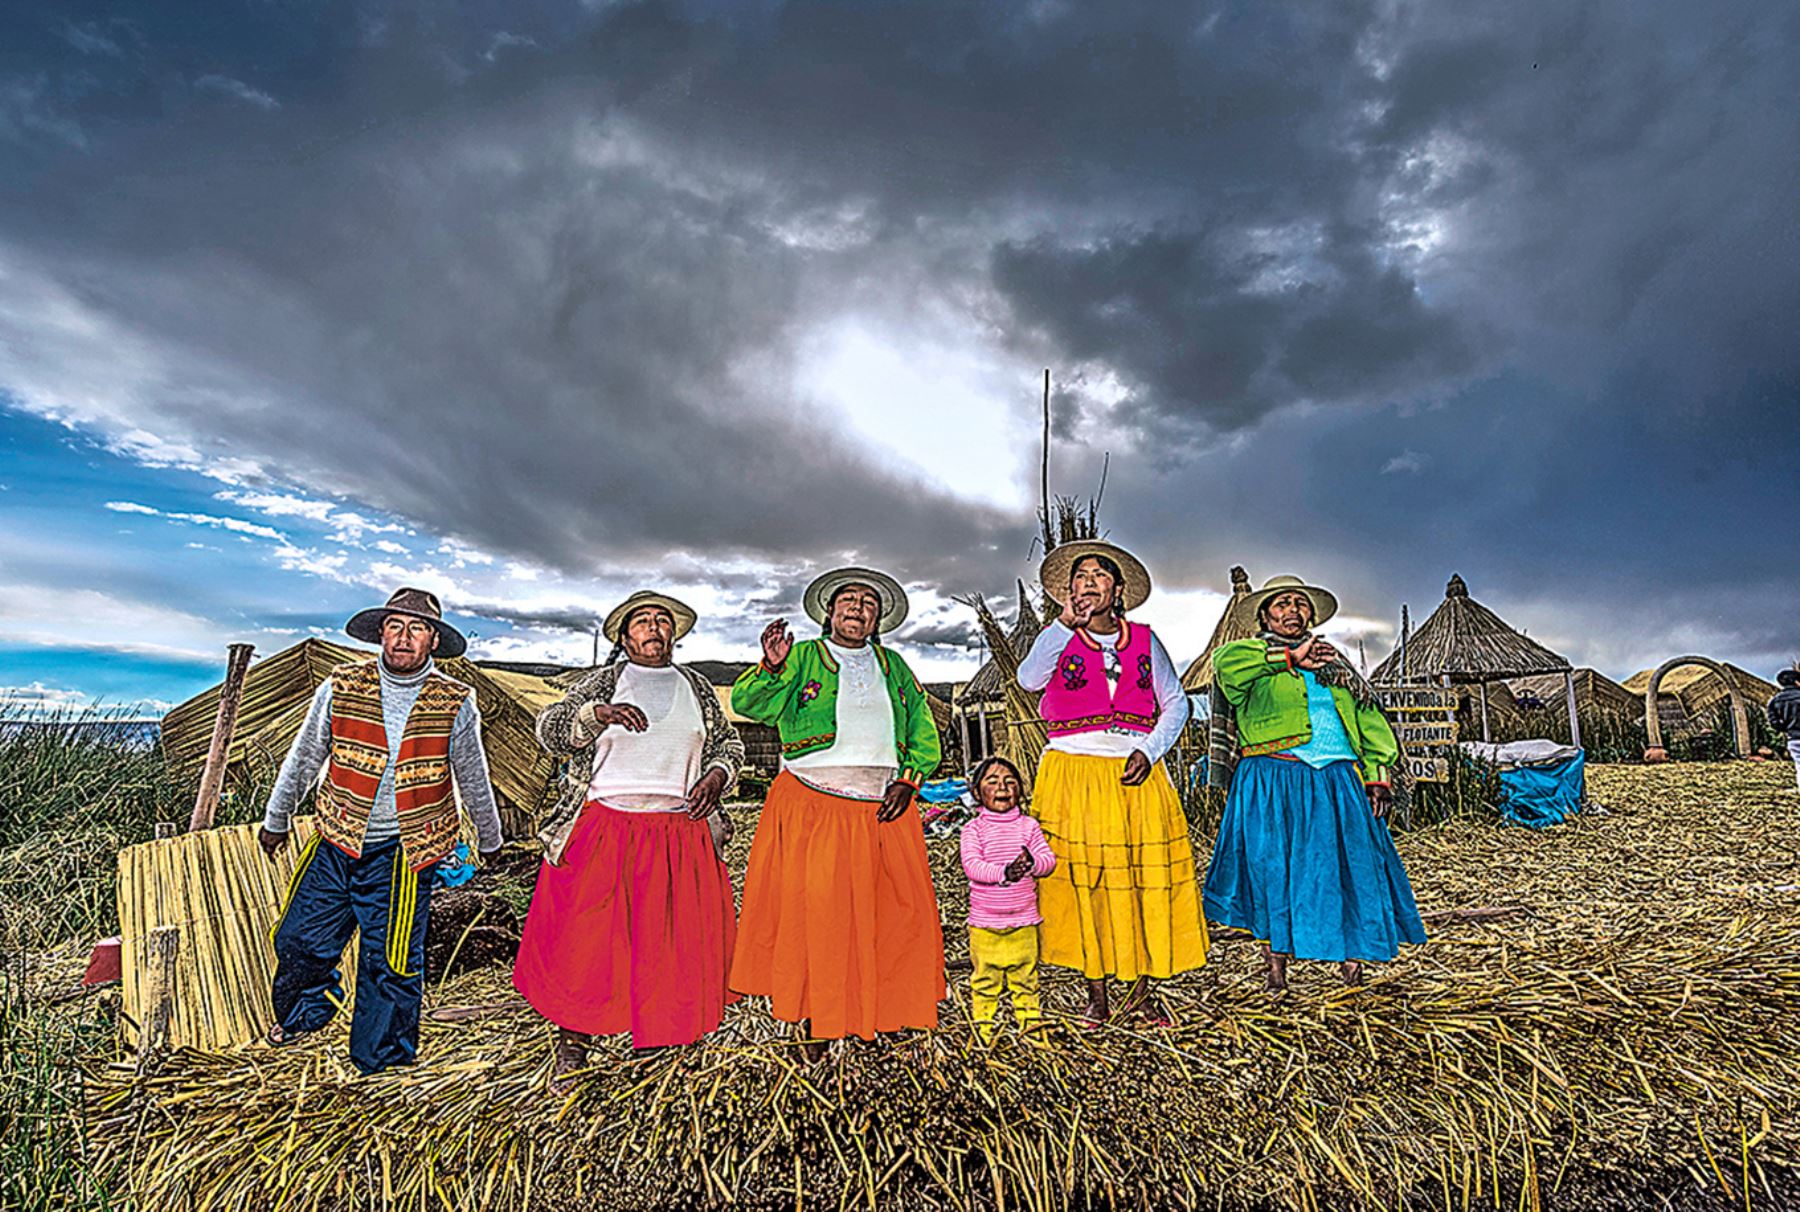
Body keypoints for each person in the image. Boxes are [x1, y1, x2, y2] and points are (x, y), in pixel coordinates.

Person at [258, 587, 504, 1075]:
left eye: (416, 629)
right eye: (396, 626)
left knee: (390, 961)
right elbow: (306, 756)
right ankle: (307, 1016)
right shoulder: (341, 686)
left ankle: (381, 1064)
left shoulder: (455, 701)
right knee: (298, 939)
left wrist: (491, 839)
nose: (404, 638)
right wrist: (276, 817)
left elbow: (473, 773)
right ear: (381, 633)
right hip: (336, 838)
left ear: (433, 640)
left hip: (404, 850)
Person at [515, 591, 745, 1086]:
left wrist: (717, 777)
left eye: (663, 621)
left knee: (668, 941)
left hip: (677, 828)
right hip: (607, 823)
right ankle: (573, 1045)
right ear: (624, 636)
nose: (655, 629)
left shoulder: (697, 687)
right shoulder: (602, 682)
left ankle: (658, 1047)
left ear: (675, 635)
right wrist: (597, 715)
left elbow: (730, 743)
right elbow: (549, 730)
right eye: (643, 621)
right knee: (589, 940)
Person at [729, 567, 945, 1061]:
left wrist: (910, 780)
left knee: (892, 914)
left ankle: (889, 1013)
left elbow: (922, 730)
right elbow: (749, 704)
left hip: (884, 807)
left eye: (869, 603)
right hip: (814, 802)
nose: (857, 609)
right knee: (816, 915)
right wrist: (770, 667)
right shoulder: (802, 657)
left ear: (878, 619)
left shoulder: (894, 668)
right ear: (830, 611)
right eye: (848, 599)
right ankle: (817, 1021)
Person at [1202, 575, 1426, 991]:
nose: (1292, 611)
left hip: (1337, 781)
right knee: (1274, 870)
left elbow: (1368, 717)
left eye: (1300, 604)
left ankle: (1352, 967)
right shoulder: (1247, 657)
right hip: (1273, 781)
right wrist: (1288, 658)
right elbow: (1225, 666)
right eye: (1282, 603)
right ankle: (1275, 973)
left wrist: (1378, 774)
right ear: (1265, 614)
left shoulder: (1333, 663)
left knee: (1348, 867)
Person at [1016, 541, 1206, 1027]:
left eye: (1100, 575)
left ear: (1118, 590)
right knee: (1087, 882)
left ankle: (1141, 993)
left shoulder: (1143, 639)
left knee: (1141, 879)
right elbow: (1029, 680)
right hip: (1073, 773)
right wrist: (1063, 626)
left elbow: (1176, 703)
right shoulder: (1056, 638)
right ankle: (1096, 995)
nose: (1090, 582)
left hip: (1134, 774)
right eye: (1081, 577)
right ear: (1069, 590)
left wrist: (1150, 750)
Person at [959, 755, 1056, 1042]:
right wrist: (1005, 872)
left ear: (1020, 790)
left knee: (1026, 979)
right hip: (985, 925)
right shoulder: (973, 830)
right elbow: (972, 866)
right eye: (992, 781)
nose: (1002, 787)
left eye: (1010, 781)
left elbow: (1048, 860)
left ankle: (1031, 1030)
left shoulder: (1029, 827)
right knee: (985, 981)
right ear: (977, 793)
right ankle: (984, 1032)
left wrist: (1032, 865)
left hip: (1024, 923)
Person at [1768, 668, 1800, 792]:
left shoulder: (1775, 700)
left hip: (1794, 738)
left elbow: (1774, 722)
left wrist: (1786, 728)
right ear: (1797, 682)